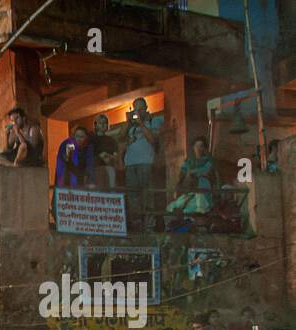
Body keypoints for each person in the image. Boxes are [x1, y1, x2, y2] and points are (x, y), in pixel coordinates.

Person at [121, 97, 163, 232]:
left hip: (146, 163)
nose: (137, 112)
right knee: (133, 196)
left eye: (140, 109)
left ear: (146, 109)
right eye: (135, 109)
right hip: (130, 163)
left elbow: (153, 139)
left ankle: (149, 225)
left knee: (148, 195)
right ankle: (137, 225)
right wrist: (128, 123)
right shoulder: (130, 126)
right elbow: (120, 138)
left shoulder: (153, 121)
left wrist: (141, 124)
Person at [167, 137, 219, 216]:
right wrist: (178, 187)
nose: (198, 149)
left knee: (195, 209)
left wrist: (192, 172)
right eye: (196, 146)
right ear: (193, 147)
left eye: (201, 146)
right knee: (172, 207)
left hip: (203, 189)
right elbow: (182, 175)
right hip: (190, 189)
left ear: (204, 148)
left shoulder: (208, 160)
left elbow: (206, 172)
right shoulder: (188, 161)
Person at [92, 113, 119, 189]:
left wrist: (109, 157)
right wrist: (100, 156)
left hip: (109, 167)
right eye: (100, 123)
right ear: (96, 125)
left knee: (111, 189)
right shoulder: (92, 139)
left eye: (105, 123)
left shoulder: (111, 140)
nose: (103, 125)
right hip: (96, 168)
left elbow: (116, 155)